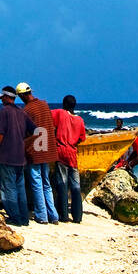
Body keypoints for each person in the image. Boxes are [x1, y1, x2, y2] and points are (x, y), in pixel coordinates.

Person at [0, 85, 31, 226]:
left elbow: (0, 134)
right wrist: (23, 142)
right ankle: (24, 218)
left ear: (6, 97)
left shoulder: (4, 112)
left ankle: (15, 217)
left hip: (7, 156)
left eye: (2, 98)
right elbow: (36, 131)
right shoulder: (22, 113)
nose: (1, 100)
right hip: (20, 157)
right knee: (20, 189)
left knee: (8, 188)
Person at [17, 83, 59, 224]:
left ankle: (42, 215)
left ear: (22, 95)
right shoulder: (44, 105)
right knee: (46, 183)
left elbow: (25, 132)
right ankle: (53, 215)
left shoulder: (27, 110)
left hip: (34, 149)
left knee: (36, 182)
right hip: (46, 148)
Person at [51, 94, 87, 222]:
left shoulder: (60, 113)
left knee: (62, 184)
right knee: (76, 186)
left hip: (61, 151)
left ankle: (64, 215)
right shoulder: (80, 120)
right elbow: (82, 138)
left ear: (64, 104)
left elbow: (47, 116)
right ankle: (77, 216)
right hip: (72, 153)